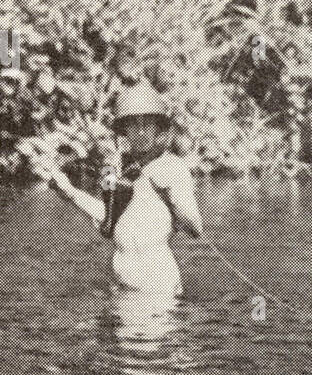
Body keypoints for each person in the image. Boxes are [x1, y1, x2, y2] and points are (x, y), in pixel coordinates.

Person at [33, 79, 203, 296]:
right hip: (122, 286)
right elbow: (108, 219)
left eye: (147, 124)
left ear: (157, 127)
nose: (141, 132)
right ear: (124, 129)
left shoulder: (172, 167)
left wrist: (168, 192)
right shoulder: (116, 168)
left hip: (156, 283)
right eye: (133, 124)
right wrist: (70, 192)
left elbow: (195, 229)